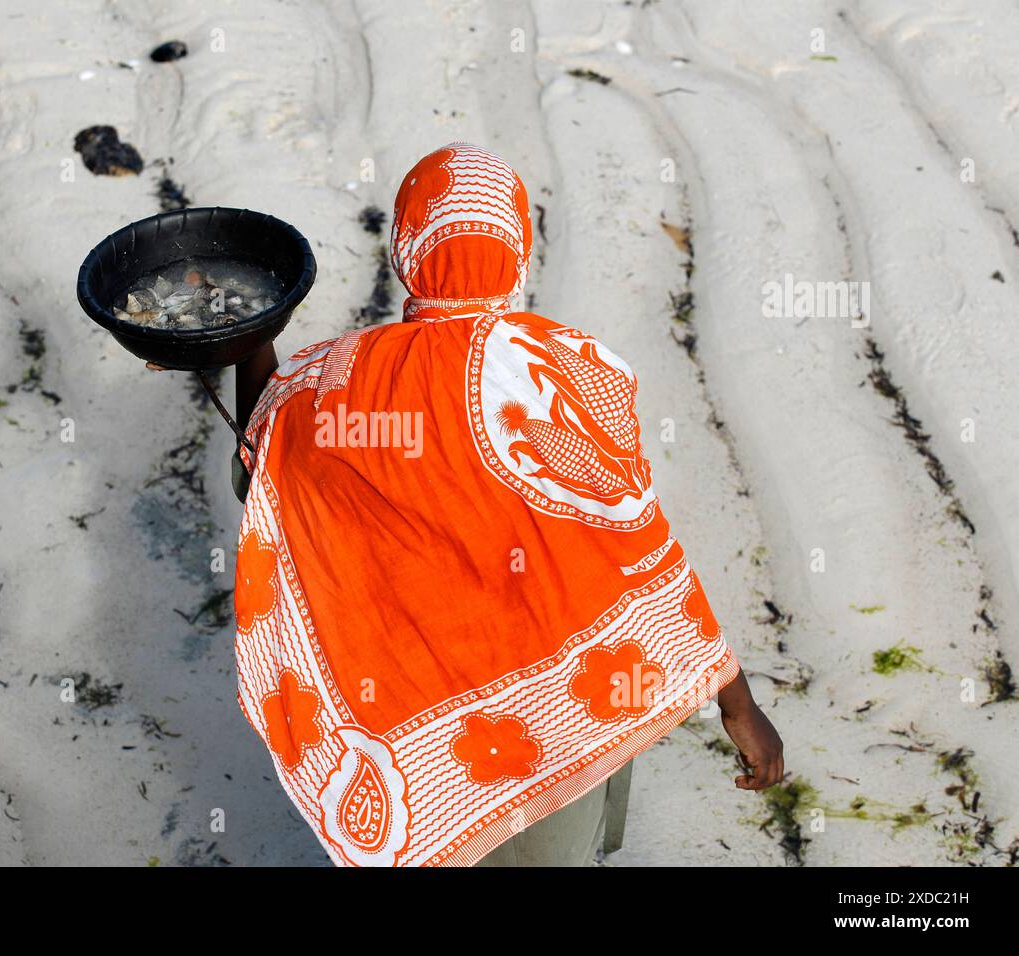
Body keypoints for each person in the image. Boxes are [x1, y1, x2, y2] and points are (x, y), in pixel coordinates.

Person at [156, 142, 783, 867]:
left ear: (405, 252)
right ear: (517, 252)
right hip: (567, 720)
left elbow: (269, 475)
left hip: (420, 744)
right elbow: (639, 552)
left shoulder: (324, 382)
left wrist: (248, 343)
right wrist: (738, 706)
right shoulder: (574, 370)